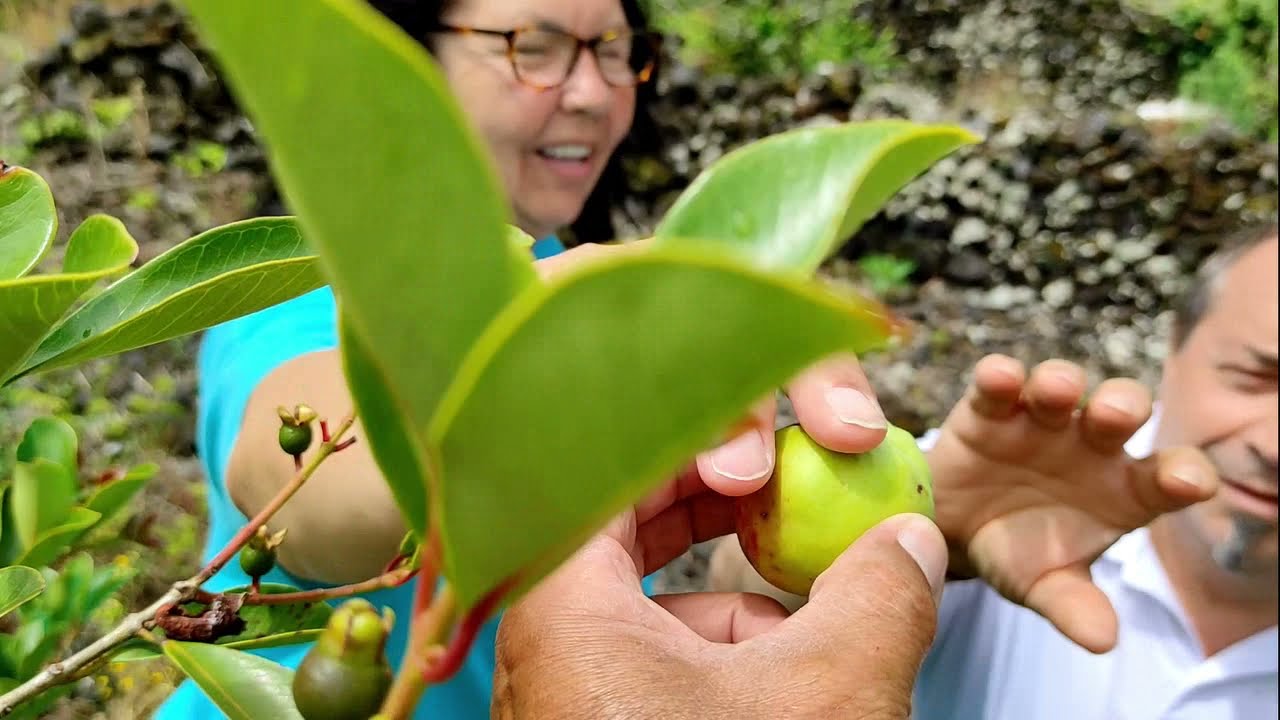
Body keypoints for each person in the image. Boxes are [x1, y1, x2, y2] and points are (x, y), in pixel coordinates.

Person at [155, 0, 921, 718]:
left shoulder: (574, 278)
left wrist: (896, 527)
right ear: (413, 57)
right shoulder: (309, 287)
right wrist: (511, 366)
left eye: (615, 51)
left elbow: (656, 543)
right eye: (536, 48)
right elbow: (305, 490)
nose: (592, 93)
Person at [703, 224, 1279, 719]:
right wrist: (921, 547)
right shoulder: (993, 478)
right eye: (1258, 376)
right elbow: (736, 611)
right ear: (1174, 347)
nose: (1275, 446)